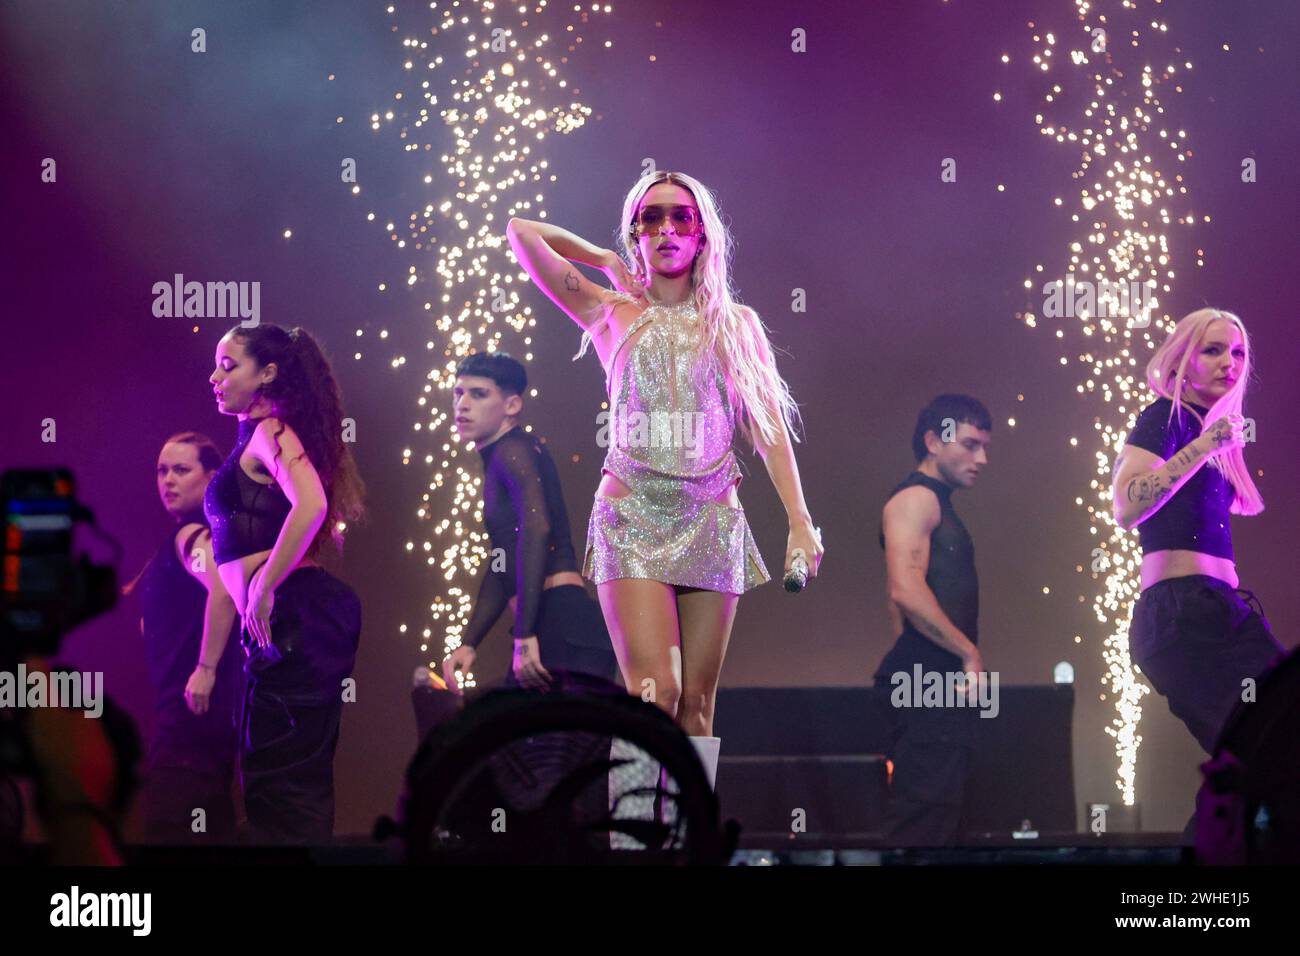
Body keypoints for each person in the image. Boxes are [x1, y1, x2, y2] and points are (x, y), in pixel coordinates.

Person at [507, 169, 822, 839]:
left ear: (704, 232)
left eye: (682, 217)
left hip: (712, 518)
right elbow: (521, 233)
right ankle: (631, 842)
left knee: (697, 707)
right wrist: (603, 259)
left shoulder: (735, 324)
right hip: (634, 518)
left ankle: (686, 843)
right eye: (651, 219)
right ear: (636, 233)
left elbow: (766, 429)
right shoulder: (610, 311)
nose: (668, 229)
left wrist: (799, 521)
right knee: (655, 693)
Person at [1112, 308, 1282, 837]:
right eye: (1212, 350)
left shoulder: (1212, 433)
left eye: (1237, 353)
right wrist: (1204, 446)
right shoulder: (1166, 418)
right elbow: (1126, 506)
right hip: (1182, 617)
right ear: (1182, 361)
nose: (1228, 363)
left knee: (1272, 747)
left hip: (1221, 611)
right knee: (1265, 746)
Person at [203, 323, 365, 844]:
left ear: (267, 374)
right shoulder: (253, 437)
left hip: (295, 612)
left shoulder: (272, 433)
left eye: (229, 366)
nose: (215, 377)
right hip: (288, 617)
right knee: (274, 781)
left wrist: (265, 585)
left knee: (285, 784)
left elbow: (312, 505)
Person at [441, 351, 618, 692]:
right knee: (520, 740)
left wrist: (524, 635)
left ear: (511, 406)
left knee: (537, 742)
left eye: (478, 394)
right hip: (561, 627)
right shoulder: (504, 456)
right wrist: (470, 641)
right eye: (458, 393)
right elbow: (503, 562)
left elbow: (537, 529)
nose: (462, 404)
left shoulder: (512, 452)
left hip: (560, 626)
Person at [874, 394, 992, 846]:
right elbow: (903, 589)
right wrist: (969, 653)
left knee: (942, 818)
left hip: (931, 679)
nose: (981, 458)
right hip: (927, 678)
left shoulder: (934, 502)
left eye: (984, 446)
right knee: (923, 822)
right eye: (969, 444)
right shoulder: (916, 499)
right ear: (933, 440)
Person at [123, 431, 242, 842]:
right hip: (190, 731)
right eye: (161, 471)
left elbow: (224, 587)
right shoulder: (181, 540)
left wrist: (205, 668)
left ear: (211, 478)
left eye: (181, 469)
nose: (167, 480)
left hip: (188, 733)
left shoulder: (192, 537)